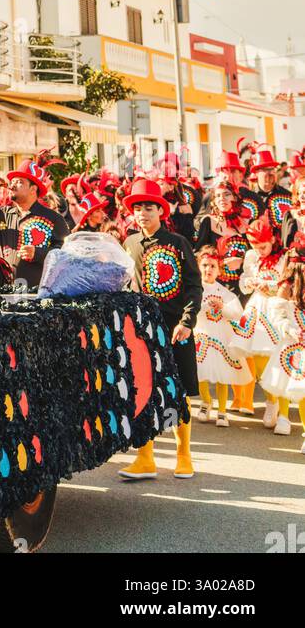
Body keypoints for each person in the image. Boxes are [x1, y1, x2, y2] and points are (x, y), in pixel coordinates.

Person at [118, 178, 202, 481]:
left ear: (160, 211)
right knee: (143, 388)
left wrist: (187, 322)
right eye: (137, 208)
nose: (143, 213)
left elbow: (194, 285)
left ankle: (184, 456)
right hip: (142, 328)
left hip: (175, 326)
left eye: (149, 207)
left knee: (179, 390)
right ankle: (145, 458)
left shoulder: (178, 243)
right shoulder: (128, 244)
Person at [236, 216, 287, 424]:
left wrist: (272, 286)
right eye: (255, 246)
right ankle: (271, 401)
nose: (259, 251)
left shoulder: (284, 257)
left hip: (277, 308)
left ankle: (284, 413)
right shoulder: (250, 256)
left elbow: (288, 282)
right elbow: (243, 283)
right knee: (258, 360)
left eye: (263, 246)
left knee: (281, 358)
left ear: (273, 241)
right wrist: (250, 282)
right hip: (257, 308)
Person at [193, 246, 249, 427]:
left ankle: (222, 411)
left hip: (221, 338)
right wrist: (205, 306)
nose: (208, 269)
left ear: (219, 270)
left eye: (212, 266)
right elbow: (189, 310)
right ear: (198, 266)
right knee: (200, 372)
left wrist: (222, 307)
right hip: (201, 335)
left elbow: (237, 314)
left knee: (222, 375)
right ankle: (206, 402)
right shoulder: (194, 289)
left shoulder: (225, 292)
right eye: (205, 265)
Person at [259, 236, 305, 448]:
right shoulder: (285, 287)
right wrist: (289, 328)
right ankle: (284, 416)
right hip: (289, 344)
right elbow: (276, 313)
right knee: (285, 384)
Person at [0, 159, 69, 292]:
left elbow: (66, 254)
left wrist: (39, 253)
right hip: (5, 293)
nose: (12, 186)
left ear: (33, 189)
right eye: (12, 181)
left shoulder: (54, 219)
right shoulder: (1, 214)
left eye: (19, 182)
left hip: (38, 293)